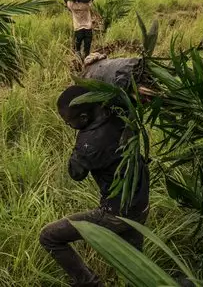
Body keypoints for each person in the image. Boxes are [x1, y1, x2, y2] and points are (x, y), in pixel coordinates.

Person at [40, 85, 150, 287]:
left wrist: (79, 144)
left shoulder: (91, 144)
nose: (69, 125)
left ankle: (89, 284)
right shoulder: (120, 110)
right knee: (136, 271)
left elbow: (76, 174)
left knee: (49, 237)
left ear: (83, 118)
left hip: (114, 214)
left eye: (69, 123)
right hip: (139, 204)